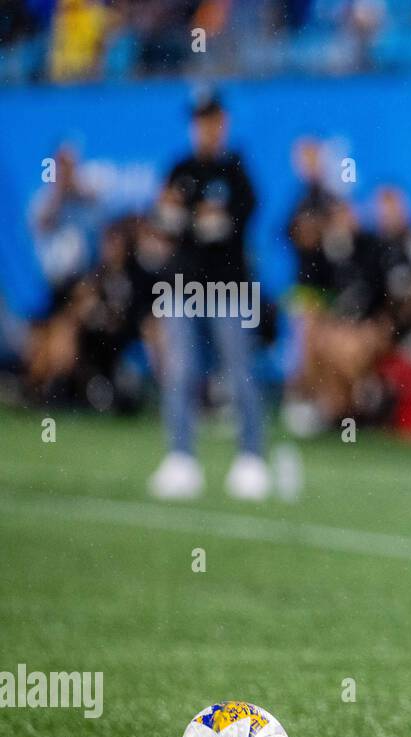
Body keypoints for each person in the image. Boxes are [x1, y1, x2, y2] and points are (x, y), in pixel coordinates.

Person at [147, 90, 268, 501]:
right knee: (179, 371)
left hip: (228, 287)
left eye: (211, 119)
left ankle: (251, 457)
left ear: (223, 122)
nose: (205, 128)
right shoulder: (179, 167)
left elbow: (228, 223)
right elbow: (165, 221)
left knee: (238, 371)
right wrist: (191, 220)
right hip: (182, 284)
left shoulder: (235, 169)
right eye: (198, 120)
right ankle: (181, 457)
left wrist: (195, 219)